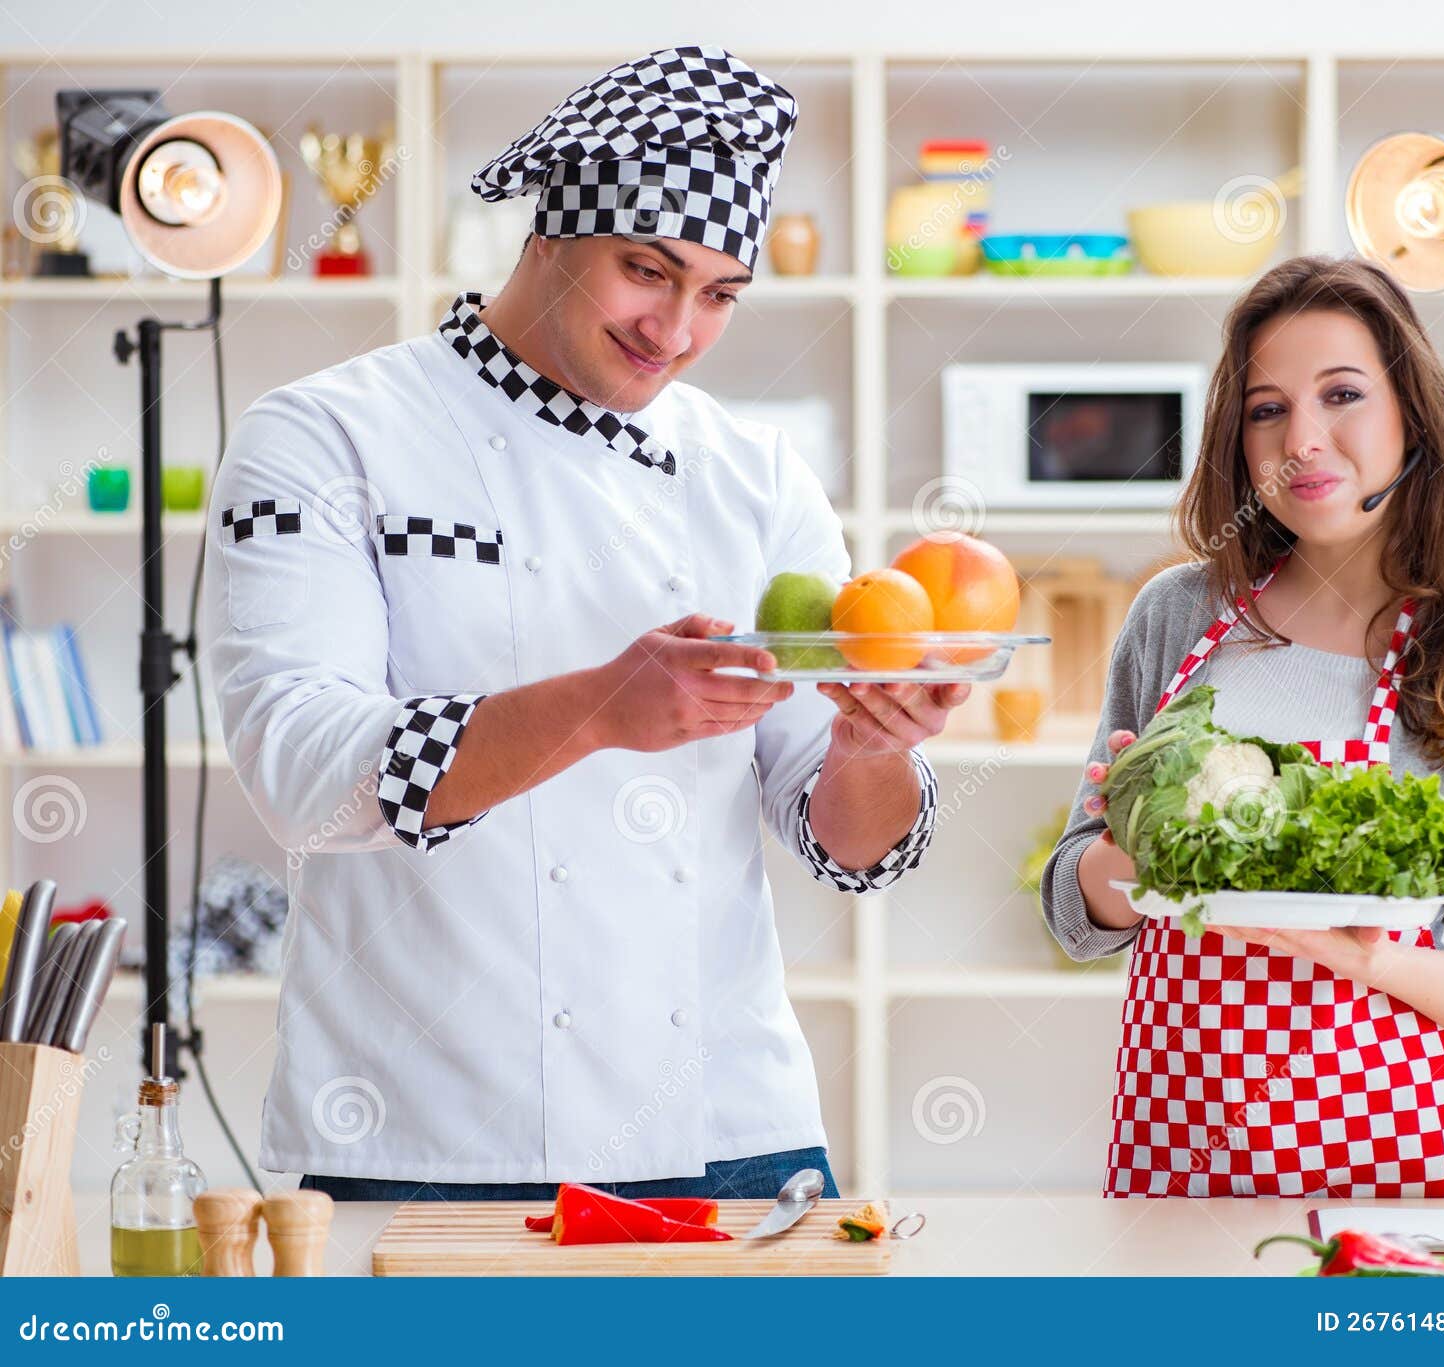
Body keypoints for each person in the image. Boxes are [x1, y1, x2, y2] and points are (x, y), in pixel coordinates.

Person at [203, 45, 969, 1202]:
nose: (676, 327)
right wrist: (603, 707)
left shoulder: (758, 474)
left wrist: (872, 746)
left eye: (719, 292)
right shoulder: (323, 438)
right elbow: (305, 778)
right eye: (645, 270)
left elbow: (849, 847)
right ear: (549, 233)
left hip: (733, 1129)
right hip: (430, 1133)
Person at [1043, 253, 1444, 1199]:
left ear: (1410, 414)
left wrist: (1376, 956)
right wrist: (1130, 843)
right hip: (1181, 1149)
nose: (1303, 439)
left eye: (1342, 395)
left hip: (1402, 1161)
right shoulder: (1174, 616)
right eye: (1267, 409)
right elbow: (1075, 912)